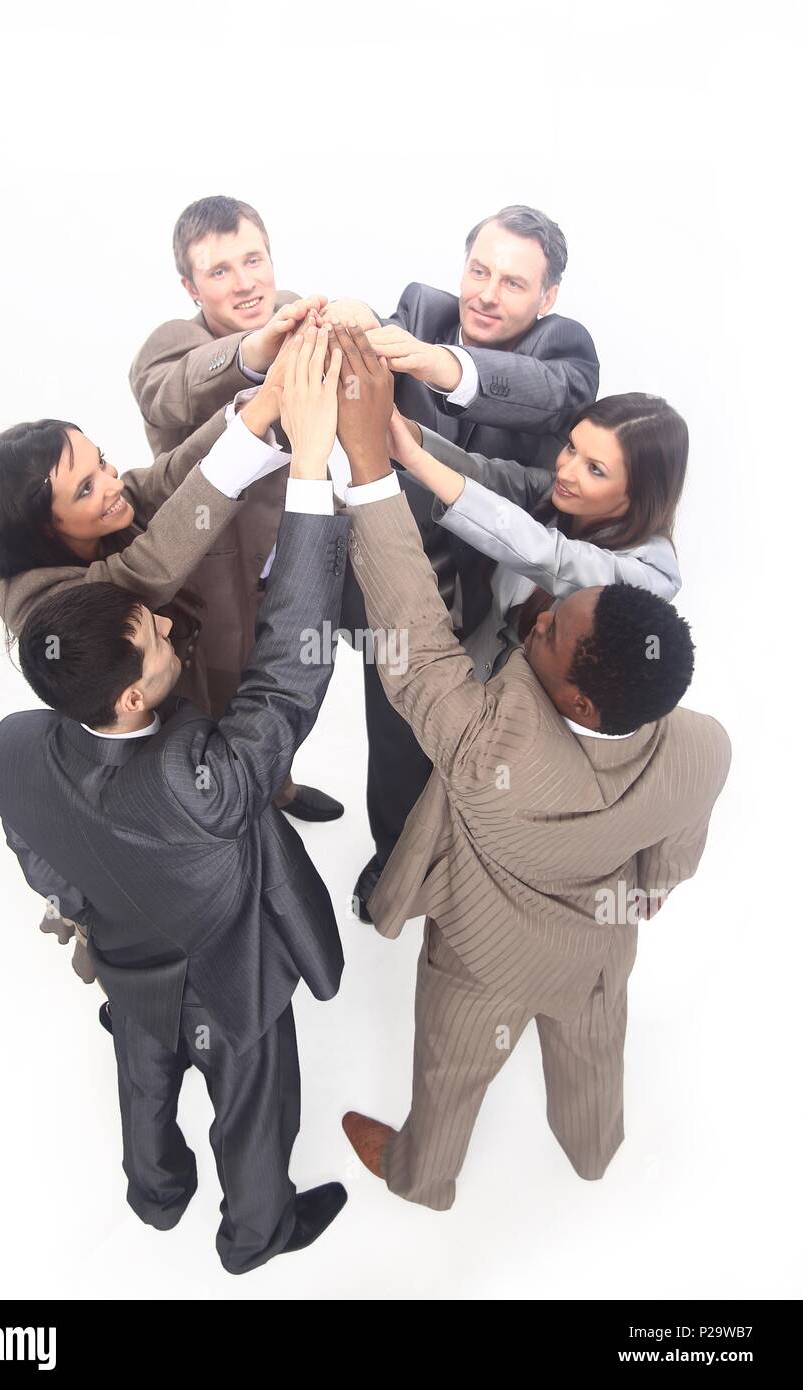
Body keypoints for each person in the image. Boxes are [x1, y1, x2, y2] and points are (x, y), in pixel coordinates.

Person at [326, 324, 730, 1212]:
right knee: (593, 1054)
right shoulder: (703, 742)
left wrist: (367, 471)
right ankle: (592, 1152)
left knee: (450, 1075)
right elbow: (671, 858)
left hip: (486, 964)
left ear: (579, 703)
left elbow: (419, 638)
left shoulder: (486, 750)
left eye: (547, 632)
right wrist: (406, 442)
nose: (534, 626)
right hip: (598, 953)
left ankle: (422, 1177)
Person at [0, 325, 352, 1273]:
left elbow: (39, 850)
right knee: (253, 1102)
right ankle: (255, 1232)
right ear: (133, 694)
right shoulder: (205, 787)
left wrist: (81, 907)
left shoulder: (18, 742)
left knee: (142, 1072)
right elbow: (286, 675)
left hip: (127, 962)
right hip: (227, 982)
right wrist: (309, 471)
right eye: (158, 639)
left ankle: (155, 1192)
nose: (170, 633)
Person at [325, 206, 600, 918]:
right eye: (479, 270)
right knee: (393, 749)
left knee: (484, 761)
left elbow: (549, 396)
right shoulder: (419, 306)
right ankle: (394, 861)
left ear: (548, 298)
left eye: (512, 282)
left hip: (495, 605)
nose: (485, 293)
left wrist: (431, 362)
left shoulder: (565, 350)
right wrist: (349, 319)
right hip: (388, 588)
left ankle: (474, 870)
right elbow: (353, 346)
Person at [129, 193, 341, 819]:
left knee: (288, 682)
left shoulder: (294, 308)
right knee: (225, 695)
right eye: (220, 271)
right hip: (214, 566)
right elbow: (168, 393)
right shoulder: (171, 345)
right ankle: (229, 813)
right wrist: (254, 350)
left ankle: (278, 784)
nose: (246, 284)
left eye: (254, 261)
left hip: (293, 550)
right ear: (190, 286)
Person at [387, 390, 687, 682]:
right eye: (571, 447)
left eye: (595, 469)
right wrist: (398, 429)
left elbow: (550, 557)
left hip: (523, 720)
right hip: (464, 682)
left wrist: (414, 458)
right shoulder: (556, 495)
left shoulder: (651, 577)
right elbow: (481, 474)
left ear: (640, 492)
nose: (566, 472)